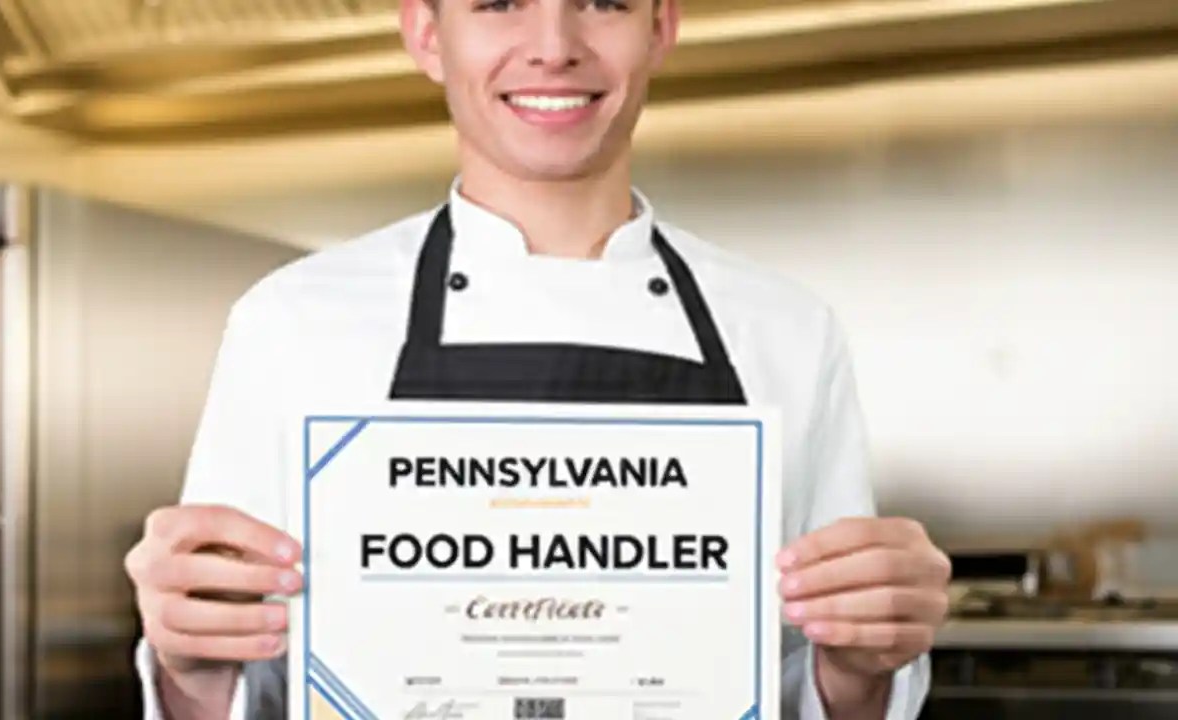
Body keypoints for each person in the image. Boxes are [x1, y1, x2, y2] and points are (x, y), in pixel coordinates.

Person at [123, 0, 952, 717]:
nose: (554, 44)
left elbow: (824, 691)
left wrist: (862, 657)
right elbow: (235, 687)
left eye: (603, 2)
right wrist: (189, 666)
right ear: (425, 33)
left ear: (661, 27)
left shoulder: (789, 330)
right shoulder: (291, 322)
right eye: (497, 2)